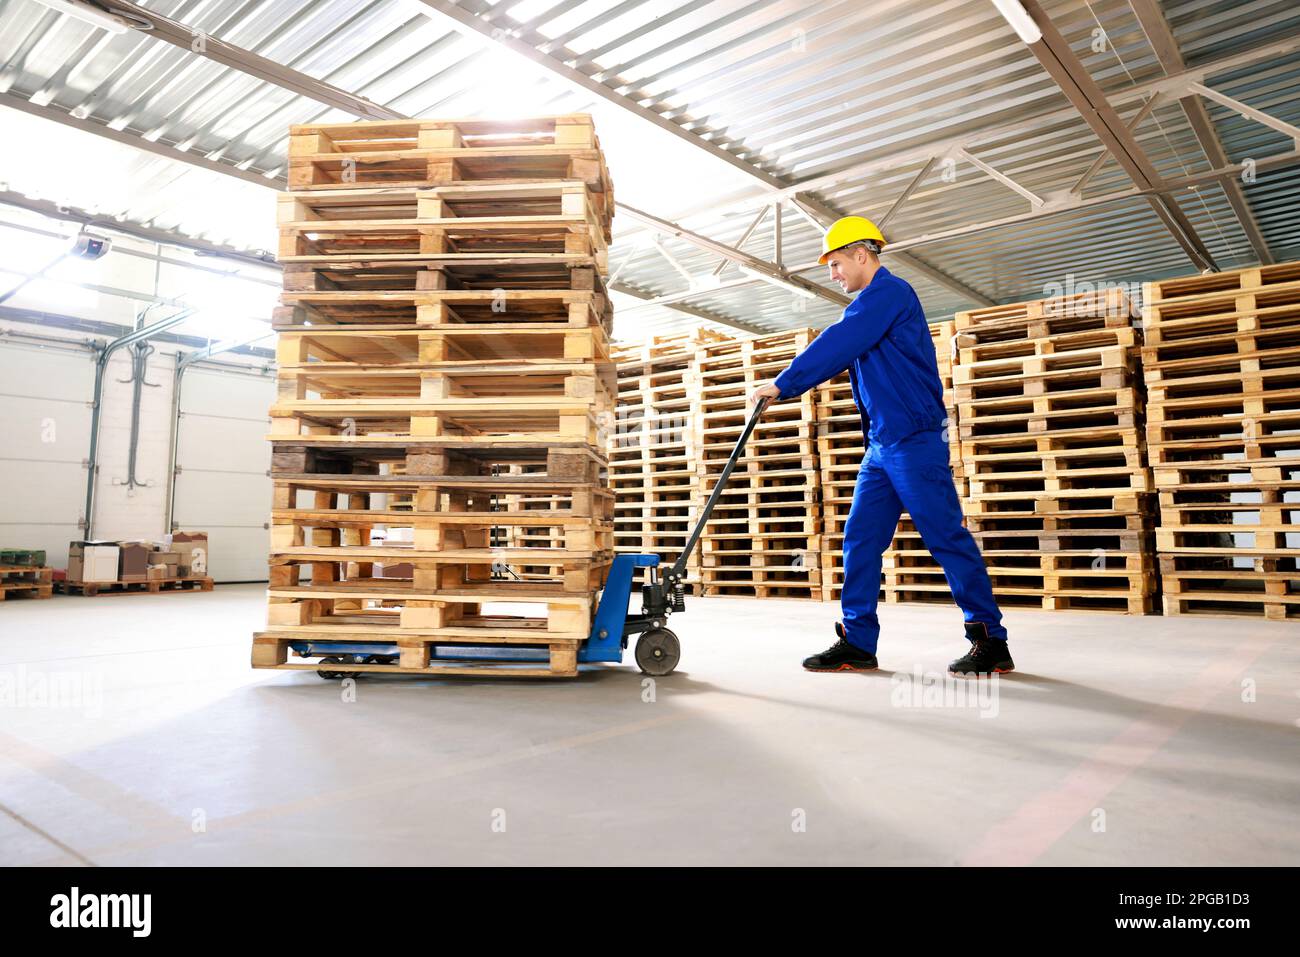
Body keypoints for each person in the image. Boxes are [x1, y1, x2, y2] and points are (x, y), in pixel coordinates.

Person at [748, 216, 1013, 677]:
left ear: (860, 254)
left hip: (914, 440)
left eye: (834, 264)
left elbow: (840, 340)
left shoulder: (889, 294)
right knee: (861, 541)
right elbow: (850, 349)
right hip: (882, 446)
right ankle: (857, 643)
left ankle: (990, 640)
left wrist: (784, 384)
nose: (833, 275)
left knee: (946, 538)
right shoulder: (872, 306)